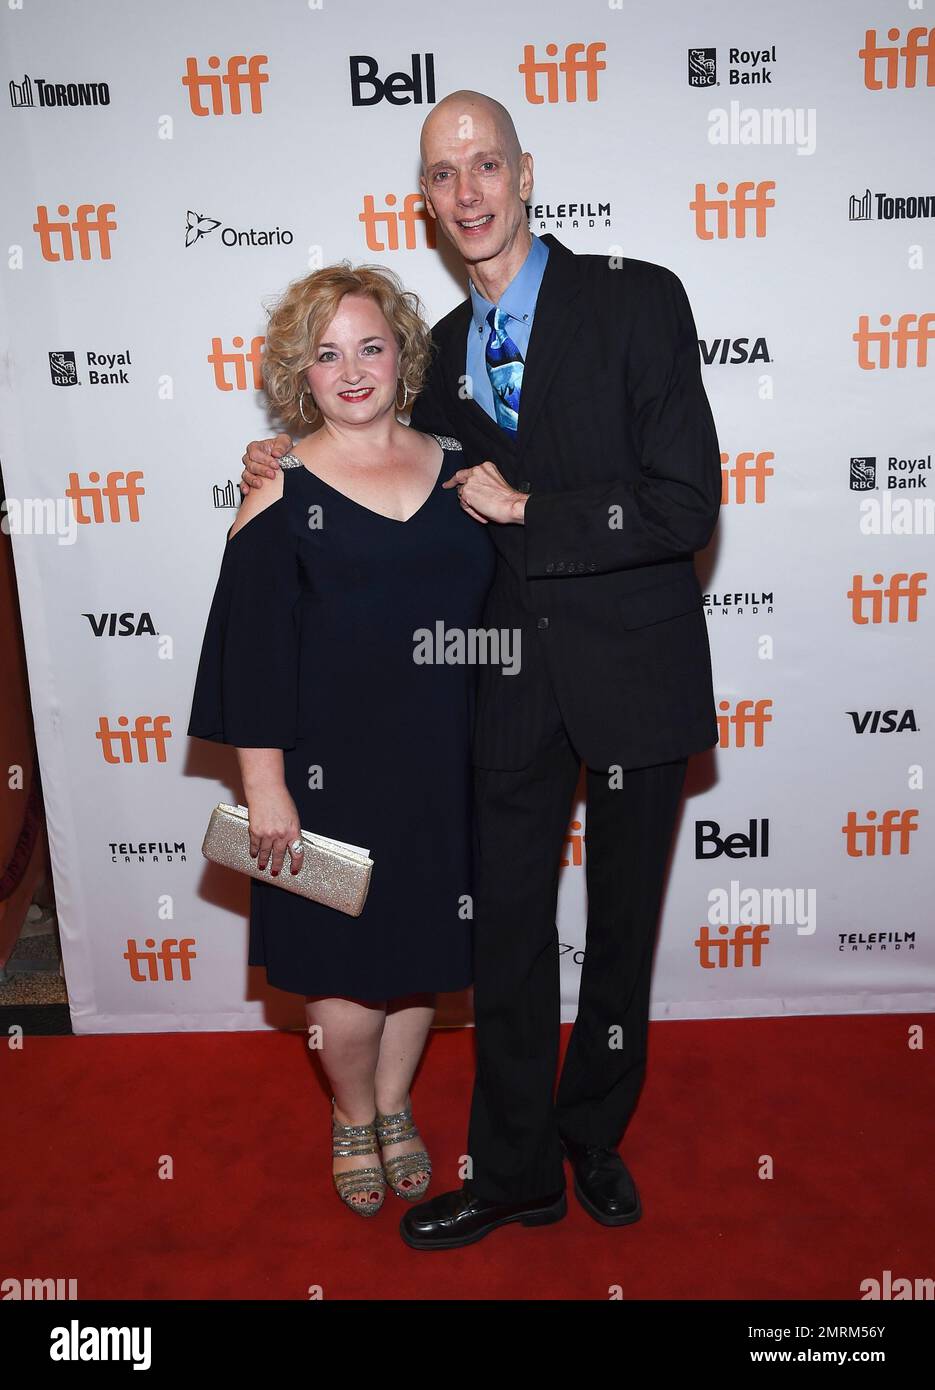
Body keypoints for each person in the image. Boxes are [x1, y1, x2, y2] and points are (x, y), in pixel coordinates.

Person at [240, 90, 722, 1249]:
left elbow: (683, 502)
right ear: (426, 196)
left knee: (616, 933)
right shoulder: (440, 355)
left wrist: (536, 509)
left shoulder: (636, 298)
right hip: (500, 680)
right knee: (501, 934)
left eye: (485, 164)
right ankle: (512, 1168)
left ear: (523, 172)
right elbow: (378, 460)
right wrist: (280, 457)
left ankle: (589, 1134)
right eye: (443, 173)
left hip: (634, 671)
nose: (467, 191)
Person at [187, 262, 495, 1218]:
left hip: (451, 764)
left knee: (419, 967)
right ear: (300, 373)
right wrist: (264, 787)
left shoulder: (463, 462)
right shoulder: (277, 487)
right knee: (340, 977)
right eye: (327, 354)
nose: (352, 369)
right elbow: (250, 655)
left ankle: (396, 1107)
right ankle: (350, 1111)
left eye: (370, 346)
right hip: (322, 777)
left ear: (403, 355)